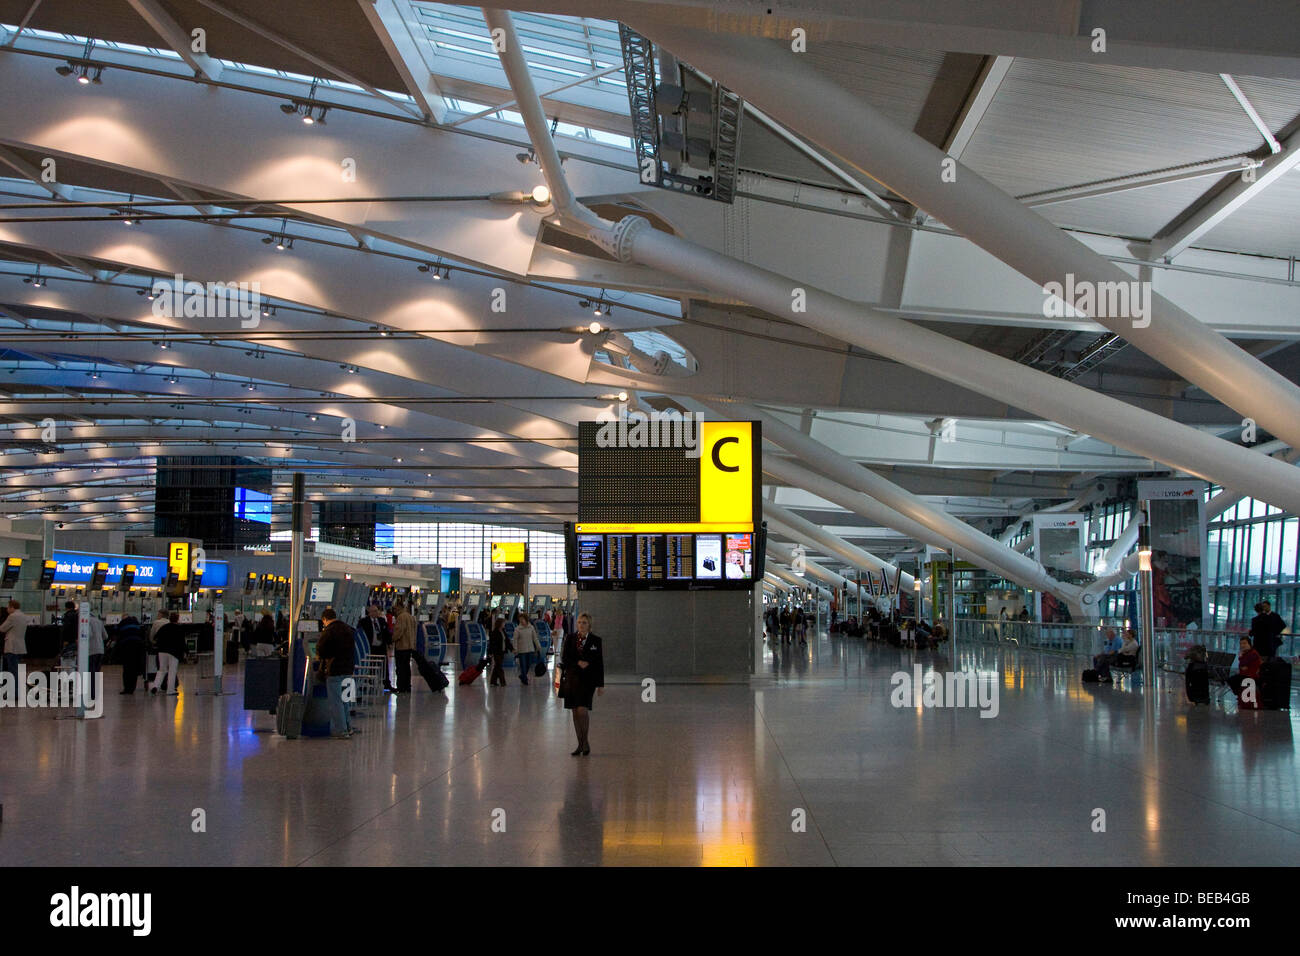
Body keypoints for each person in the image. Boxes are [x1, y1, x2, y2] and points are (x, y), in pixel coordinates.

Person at [559, 612, 604, 755]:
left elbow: (599, 663)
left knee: (582, 710)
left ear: (589, 625)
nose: (581, 625)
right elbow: (565, 657)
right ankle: (580, 744)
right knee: (574, 711)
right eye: (579, 622)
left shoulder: (596, 640)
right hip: (572, 679)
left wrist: (600, 684)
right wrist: (578, 662)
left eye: (584, 622)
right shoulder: (570, 638)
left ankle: (585, 741)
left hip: (587, 681)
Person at [315, 608, 357, 738]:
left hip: (335, 670)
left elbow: (321, 650)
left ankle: (340, 730)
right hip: (348, 670)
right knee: (345, 700)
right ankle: (348, 727)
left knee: (336, 701)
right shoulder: (348, 629)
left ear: (325, 619)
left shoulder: (328, 631)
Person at [358, 605, 394, 692]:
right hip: (371, 648)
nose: (375, 613)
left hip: (381, 647)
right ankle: (370, 684)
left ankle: (386, 684)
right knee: (371, 666)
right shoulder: (364, 622)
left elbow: (386, 633)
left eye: (376, 611)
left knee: (384, 666)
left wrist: (389, 643)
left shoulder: (381, 621)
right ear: (369, 612)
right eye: (373, 611)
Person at [150, 611, 185, 696]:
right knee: (172, 671)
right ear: (177, 619)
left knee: (161, 670)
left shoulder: (164, 627)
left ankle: (155, 686)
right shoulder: (179, 628)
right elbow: (182, 642)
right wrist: (185, 652)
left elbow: (155, 637)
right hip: (173, 652)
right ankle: (170, 690)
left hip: (162, 651)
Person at [1228, 635, 1262, 710]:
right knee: (1232, 680)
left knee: (1232, 680)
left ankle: (1239, 695)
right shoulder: (1247, 653)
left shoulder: (1252, 654)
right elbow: (1242, 667)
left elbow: (1243, 664)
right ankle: (1239, 695)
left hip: (1251, 676)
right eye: (1241, 644)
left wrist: (1241, 657)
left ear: (1249, 644)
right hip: (1246, 674)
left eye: (1244, 643)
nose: (1242, 645)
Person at [115, 614, 146, 694]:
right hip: (138, 646)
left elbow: (116, 633)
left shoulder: (122, 623)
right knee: (134, 668)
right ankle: (132, 688)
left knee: (127, 668)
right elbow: (142, 634)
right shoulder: (136, 622)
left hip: (126, 646)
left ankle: (127, 688)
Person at [0, 599, 29, 678]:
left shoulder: (12, 616)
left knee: (12, 671)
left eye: (8, 608)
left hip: (12, 647)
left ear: (12, 607)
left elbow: (2, 628)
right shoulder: (24, 615)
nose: (7, 610)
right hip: (21, 647)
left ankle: (14, 689)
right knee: (17, 669)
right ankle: (18, 688)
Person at [391, 601, 416, 694]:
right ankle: (407, 686)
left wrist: (392, 639)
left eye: (396, 609)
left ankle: (401, 687)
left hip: (401, 646)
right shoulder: (410, 616)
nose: (395, 611)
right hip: (409, 646)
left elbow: (399, 631)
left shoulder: (401, 617)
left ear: (399, 608)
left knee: (400, 668)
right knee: (406, 668)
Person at [513, 612, 542, 685]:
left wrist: (538, 646)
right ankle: (524, 679)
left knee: (528, 664)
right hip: (522, 650)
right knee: (523, 665)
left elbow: (535, 638)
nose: (521, 621)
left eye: (522, 619)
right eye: (520, 620)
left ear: (526, 619)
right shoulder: (517, 629)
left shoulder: (531, 627)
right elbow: (515, 640)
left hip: (530, 649)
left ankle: (522, 676)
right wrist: (515, 648)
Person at [487, 615, 509, 687]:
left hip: (502, 651)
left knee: (497, 666)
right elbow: (492, 643)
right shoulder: (495, 632)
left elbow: (507, 641)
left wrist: (511, 649)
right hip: (497, 651)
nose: (504, 625)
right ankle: (503, 682)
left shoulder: (503, 631)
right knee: (499, 667)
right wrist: (490, 652)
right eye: (503, 623)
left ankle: (493, 681)